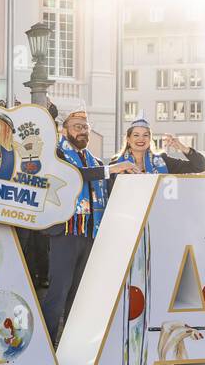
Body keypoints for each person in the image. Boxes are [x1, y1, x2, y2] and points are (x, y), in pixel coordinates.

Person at [39, 105, 137, 344]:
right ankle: (45, 344)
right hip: (67, 231)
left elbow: (102, 184)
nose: (82, 131)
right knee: (58, 292)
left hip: (91, 233)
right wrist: (112, 169)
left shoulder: (91, 158)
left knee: (80, 294)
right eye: (77, 127)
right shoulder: (57, 154)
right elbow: (75, 175)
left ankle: (72, 343)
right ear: (65, 131)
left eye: (86, 127)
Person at [109, 119, 205, 185]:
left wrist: (182, 147)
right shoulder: (116, 164)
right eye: (136, 135)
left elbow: (202, 166)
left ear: (150, 139)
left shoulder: (163, 160)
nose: (141, 139)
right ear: (128, 139)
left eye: (145, 135)